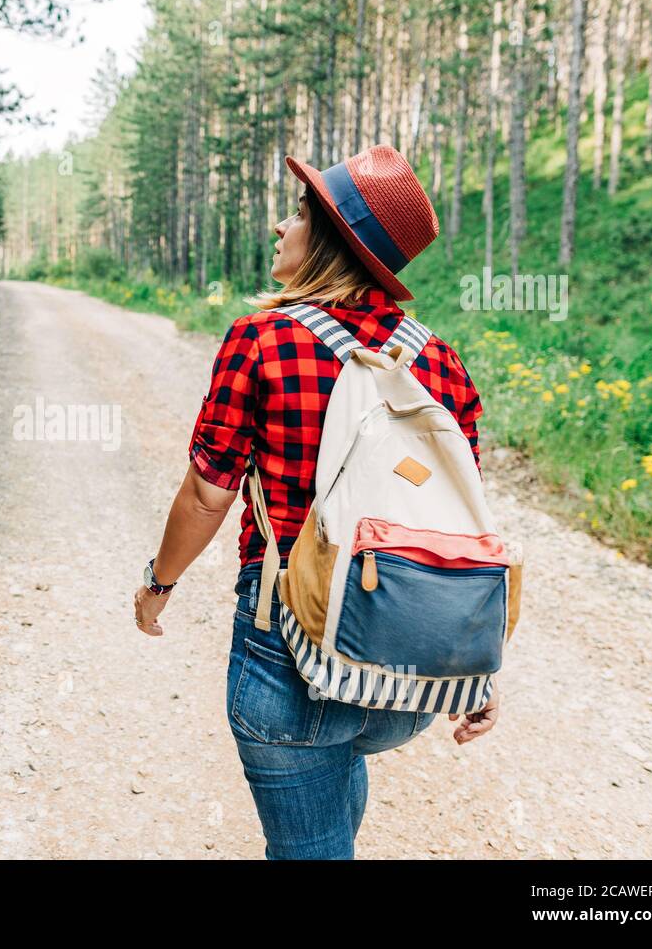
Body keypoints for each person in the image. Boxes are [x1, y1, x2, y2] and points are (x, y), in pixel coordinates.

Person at [132, 145, 500, 859]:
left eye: (298, 213)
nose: (280, 226)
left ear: (329, 240)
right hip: (405, 665)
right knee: (336, 788)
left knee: (310, 842)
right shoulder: (438, 358)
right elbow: (463, 522)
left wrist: (159, 583)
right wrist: (475, 667)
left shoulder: (261, 340)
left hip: (290, 652)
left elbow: (208, 496)